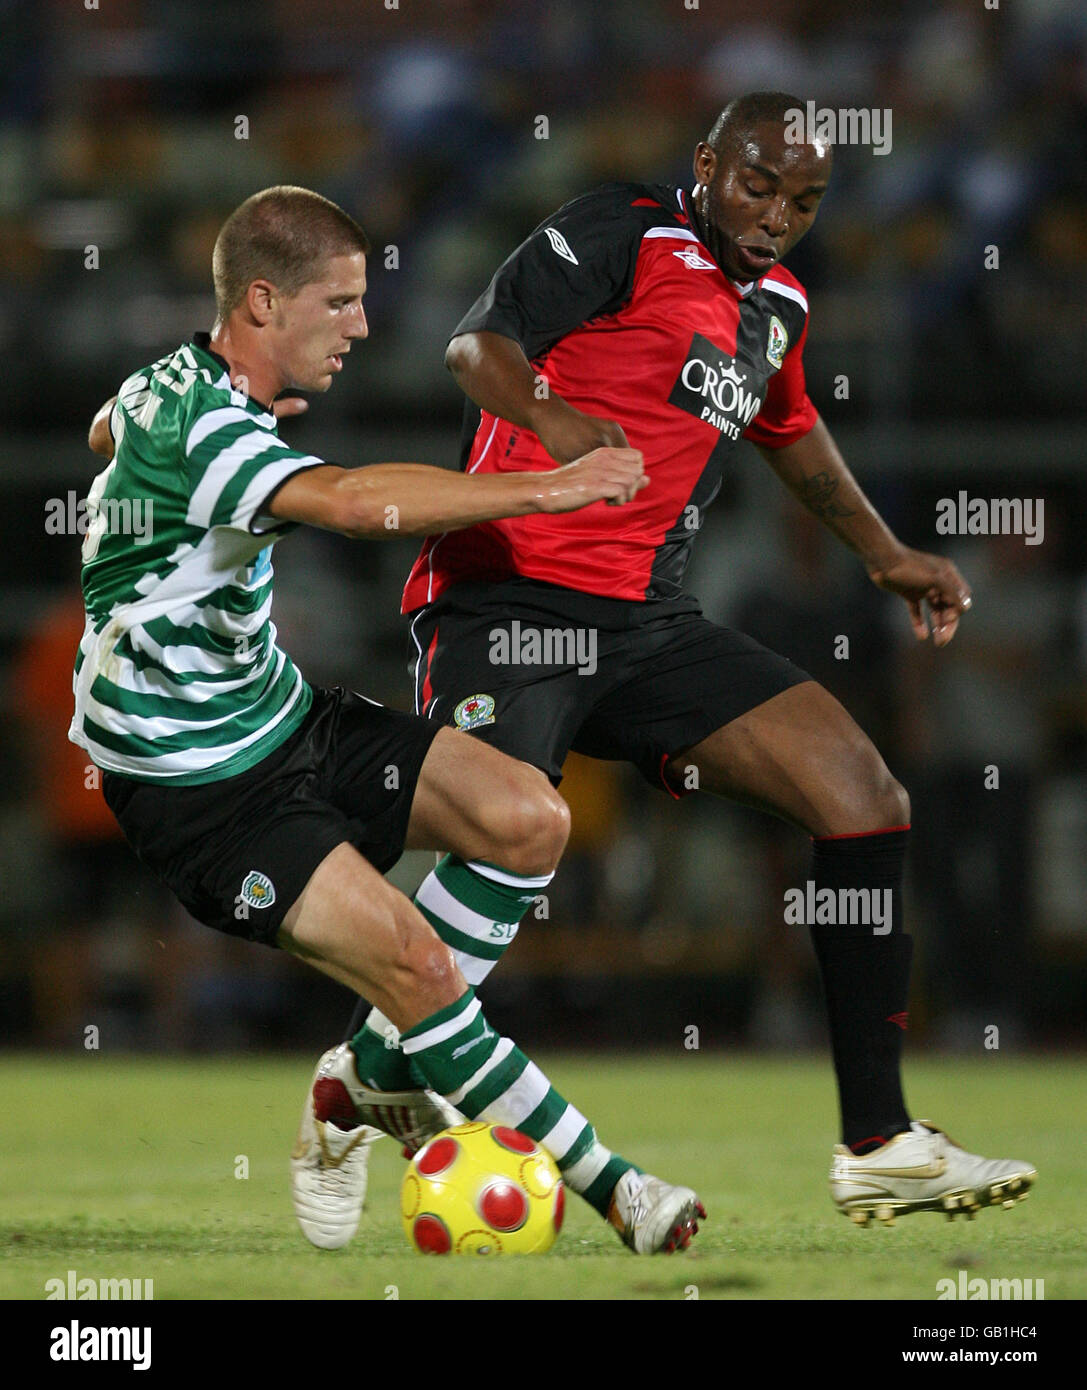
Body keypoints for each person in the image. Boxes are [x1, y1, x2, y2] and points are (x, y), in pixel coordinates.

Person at [301, 93, 1036, 1237]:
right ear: (705, 162)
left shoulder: (778, 307)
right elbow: (474, 346)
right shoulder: (621, 229)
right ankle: (367, 1067)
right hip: (507, 596)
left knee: (863, 796)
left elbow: (788, 432)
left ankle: (878, 1141)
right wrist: (559, 426)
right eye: (757, 183)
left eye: (804, 200)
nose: (777, 215)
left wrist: (885, 553)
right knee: (513, 833)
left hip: (649, 624)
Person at [79, 184, 706, 1255]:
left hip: (279, 719)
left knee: (528, 818)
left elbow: (104, 428)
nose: (363, 327)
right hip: (196, 788)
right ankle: (617, 1189)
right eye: (343, 302)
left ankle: (358, 1083)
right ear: (265, 303)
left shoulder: (167, 387)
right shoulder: (208, 426)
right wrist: (548, 488)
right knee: (417, 969)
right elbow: (351, 503)